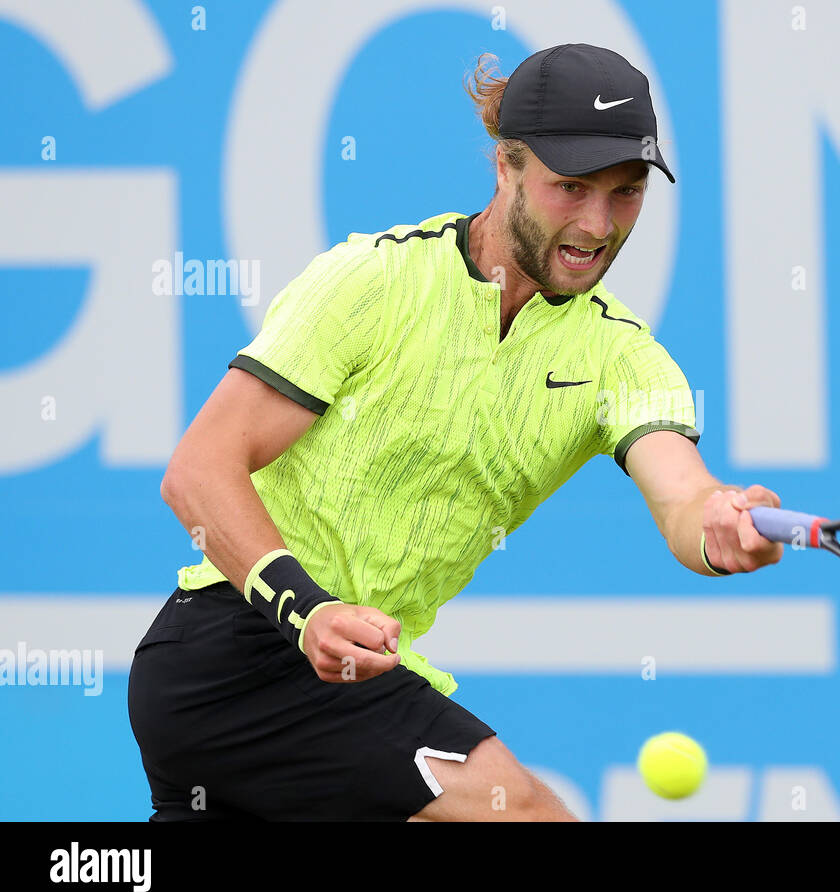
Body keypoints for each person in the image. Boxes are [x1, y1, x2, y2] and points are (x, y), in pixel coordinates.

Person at [128, 43, 783, 822]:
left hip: (352, 675)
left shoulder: (623, 357)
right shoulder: (373, 281)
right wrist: (308, 613)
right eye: (569, 187)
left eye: (627, 192)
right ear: (505, 166)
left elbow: (681, 492)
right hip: (239, 655)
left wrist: (714, 523)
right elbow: (198, 472)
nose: (597, 224)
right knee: (525, 811)